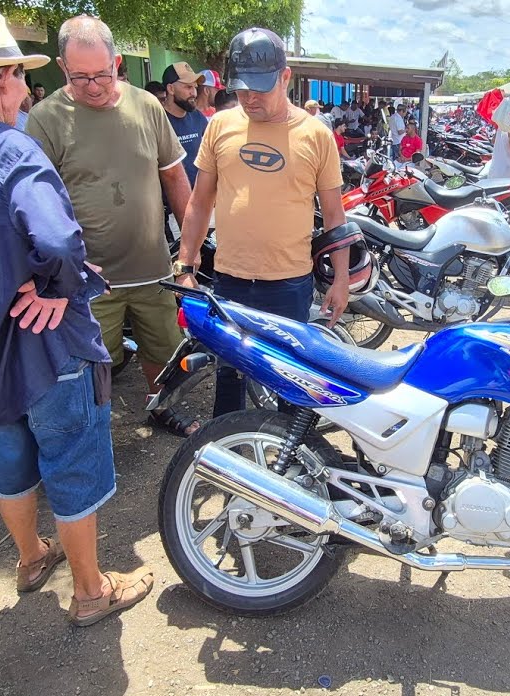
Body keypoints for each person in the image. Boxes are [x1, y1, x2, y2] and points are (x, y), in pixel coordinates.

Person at [0, 10, 154, 627]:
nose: (23, 92)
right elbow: (61, 243)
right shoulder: (12, 149)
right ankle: (91, 590)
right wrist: (59, 290)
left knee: (10, 459)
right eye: (19, 78)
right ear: (4, 77)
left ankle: (29, 559)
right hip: (49, 349)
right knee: (72, 463)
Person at [26, 15, 198, 437]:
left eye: (101, 74)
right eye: (79, 76)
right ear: (62, 68)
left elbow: (175, 177)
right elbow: (35, 204)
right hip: (88, 278)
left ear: (117, 62)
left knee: (163, 348)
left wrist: (191, 252)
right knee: (92, 361)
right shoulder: (44, 119)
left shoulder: (146, 106)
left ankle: (159, 408)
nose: (92, 85)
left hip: (152, 266)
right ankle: (90, 428)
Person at [174, 27, 352, 417]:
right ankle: (228, 455)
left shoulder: (315, 134)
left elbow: (335, 215)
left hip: (289, 284)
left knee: (291, 380)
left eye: (260, 88)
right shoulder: (220, 126)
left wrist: (341, 278)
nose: (250, 98)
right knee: (230, 376)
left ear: (285, 78)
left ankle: (288, 464)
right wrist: (185, 265)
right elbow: (200, 201)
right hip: (230, 278)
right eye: (241, 90)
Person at [161, 62, 207, 187]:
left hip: (198, 199)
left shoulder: (198, 118)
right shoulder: (158, 120)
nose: (194, 93)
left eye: (195, 87)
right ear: (171, 89)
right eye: (188, 87)